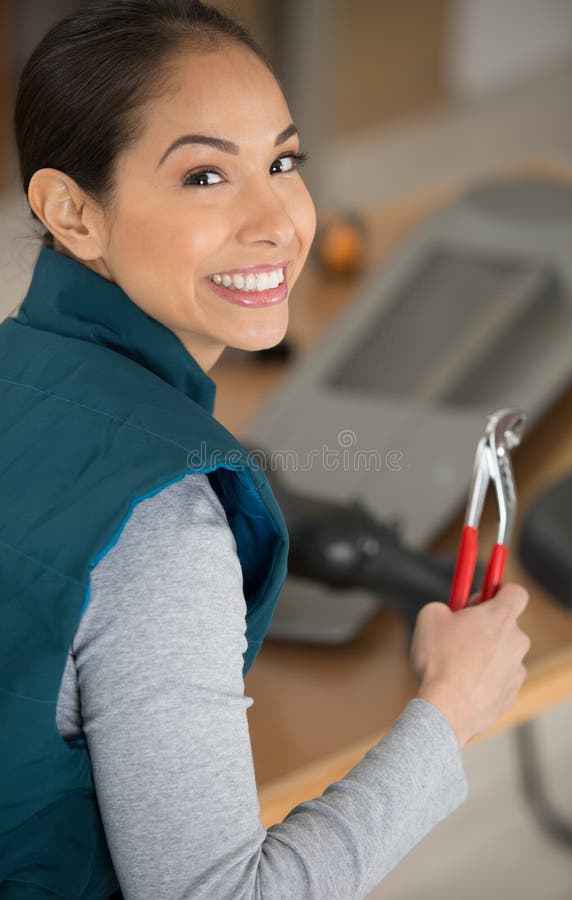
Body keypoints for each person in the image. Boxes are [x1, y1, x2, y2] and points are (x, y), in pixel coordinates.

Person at [0, 1, 531, 897]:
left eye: (283, 162)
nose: (278, 221)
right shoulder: (163, 531)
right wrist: (450, 710)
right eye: (206, 176)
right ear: (72, 213)